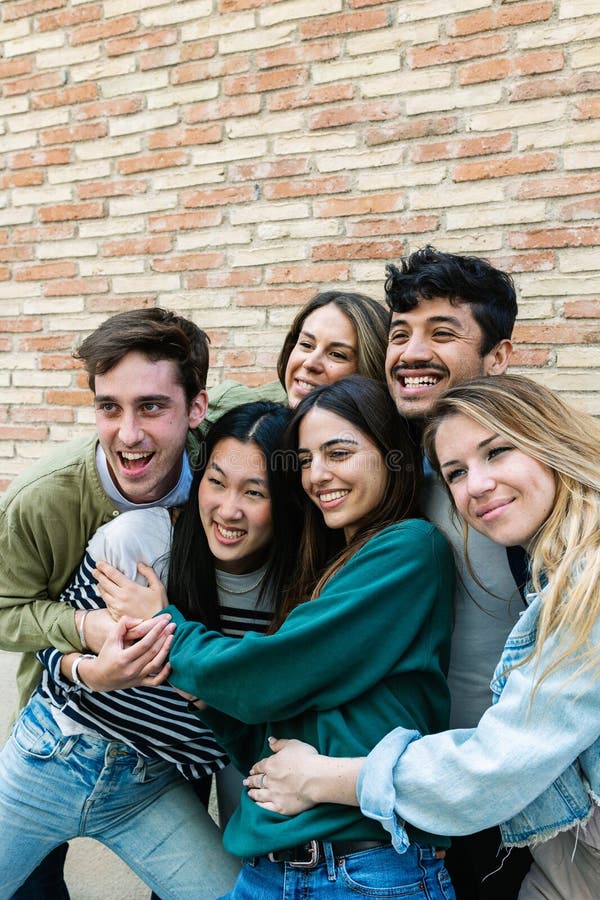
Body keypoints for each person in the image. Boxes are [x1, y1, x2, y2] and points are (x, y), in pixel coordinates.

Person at [243, 246, 534, 899]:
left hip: (495, 795)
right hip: (395, 795)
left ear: (499, 357)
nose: (413, 350)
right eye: (401, 333)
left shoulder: (522, 477)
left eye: (442, 332)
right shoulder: (385, 472)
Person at [95, 375, 457, 900]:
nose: (319, 475)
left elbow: (274, 676)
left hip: (364, 871)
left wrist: (166, 629)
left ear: (391, 454)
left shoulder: (410, 549)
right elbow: (264, 735)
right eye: (306, 460)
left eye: (339, 453)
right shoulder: (325, 571)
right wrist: (207, 699)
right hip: (268, 871)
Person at [246, 375, 600, 900]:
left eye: (497, 452)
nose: (476, 486)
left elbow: (495, 765)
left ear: (551, 442)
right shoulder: (550, 575)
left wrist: (321, 778)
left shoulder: (587, 580)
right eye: (456, 472)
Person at [0, 400, 301, 897]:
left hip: (151, 785)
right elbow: (53, 645)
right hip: (55, 752)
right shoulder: (142, 540)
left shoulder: (293, 592)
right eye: (217, 483)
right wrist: (89, 672)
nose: (228, 509)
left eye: (255, 492)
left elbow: (254, 706)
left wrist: (175, 644)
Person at [0, 307, 212, 899]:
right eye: (108, 407)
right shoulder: (41, 501)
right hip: (62, 727)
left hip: (169, 747)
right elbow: (3, 609)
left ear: (196, 408)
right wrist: (84, 630)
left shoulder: (226, 462)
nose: (128, 433)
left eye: (151, 406)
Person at [202, 288, 389, 425]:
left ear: (369, 372)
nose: (310, 363)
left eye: (337, 355)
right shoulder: (231, 409)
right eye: (306, 345)